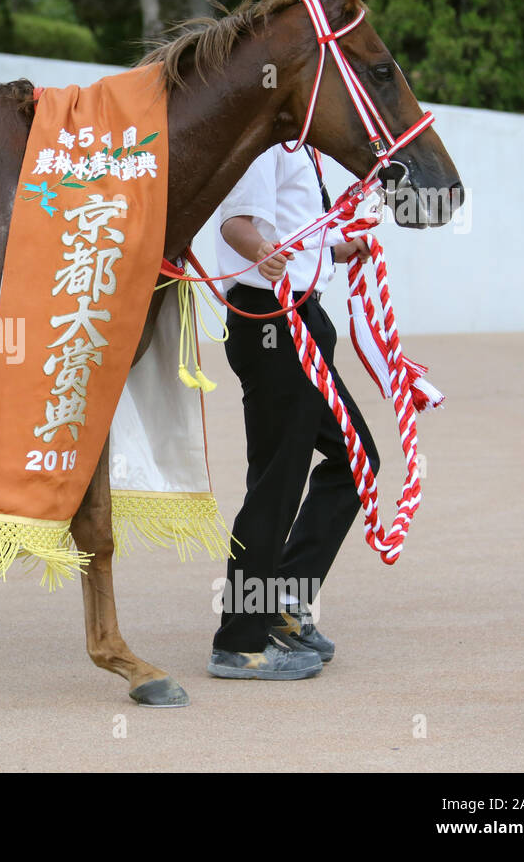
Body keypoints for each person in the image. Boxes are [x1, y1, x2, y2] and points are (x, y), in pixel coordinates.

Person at [207, 144, 379, 680]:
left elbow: (299, 226)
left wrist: (336, 250)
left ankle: (281, 601)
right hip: (270, 323)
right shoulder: (265, 144)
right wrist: (262, 248)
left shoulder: (301, 148)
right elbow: (234, 221)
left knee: (356, 462)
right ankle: (240, 638)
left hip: (302, 319)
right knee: (276, 482)